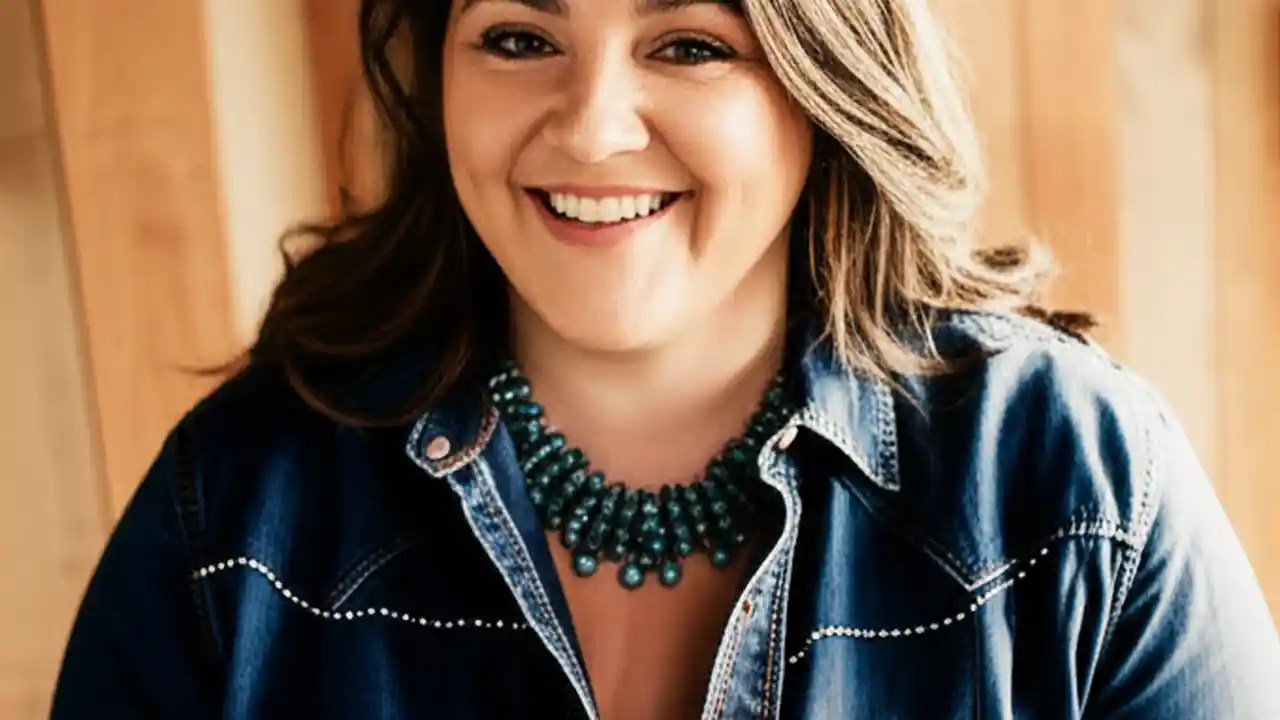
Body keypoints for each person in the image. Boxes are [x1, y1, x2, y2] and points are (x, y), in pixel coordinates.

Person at [52, 0, 1280, 717]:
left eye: (689, 44)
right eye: (517, 36)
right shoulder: (234, 509)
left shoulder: (1080, 484)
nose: (590, 128)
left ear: (824, 78)